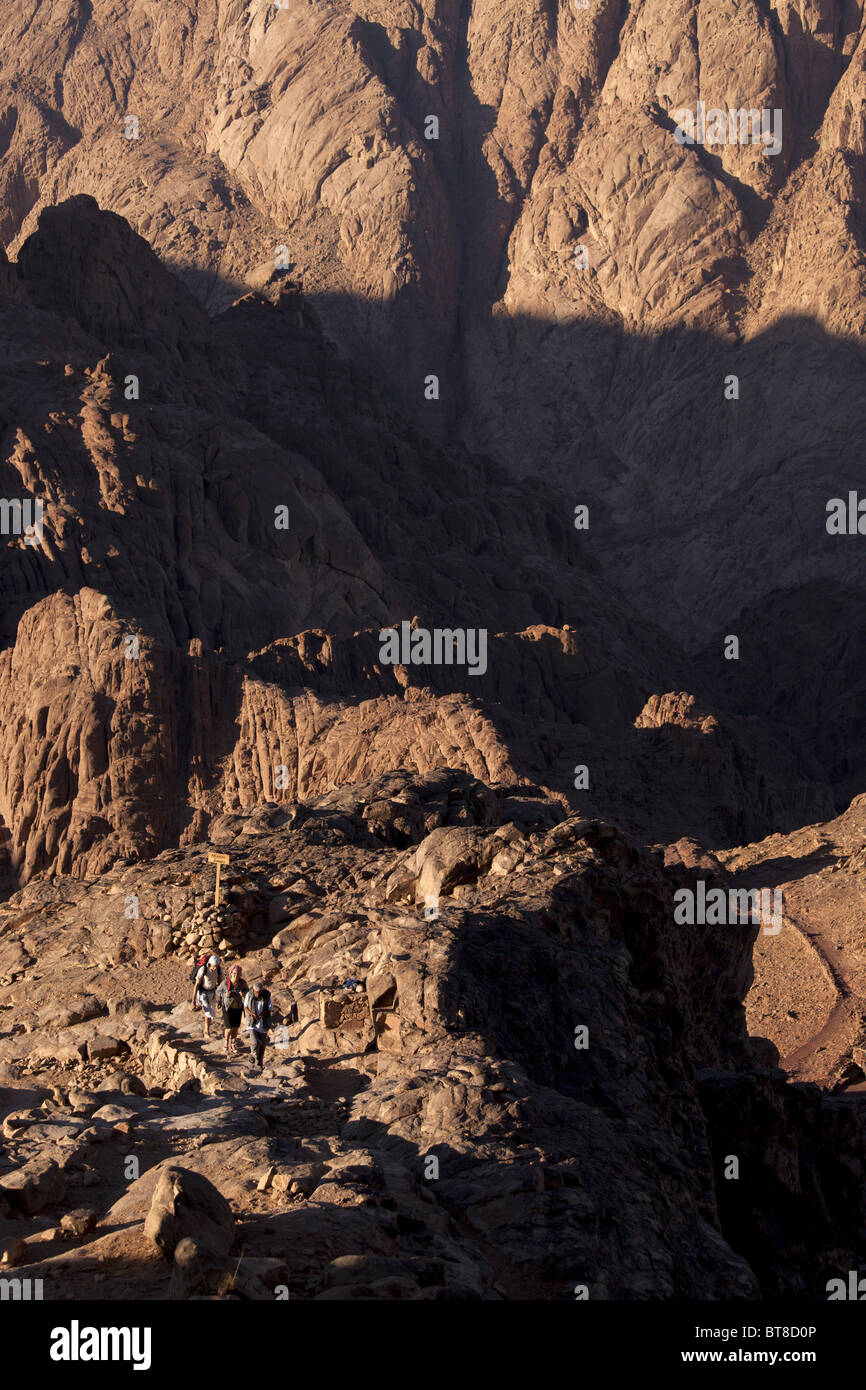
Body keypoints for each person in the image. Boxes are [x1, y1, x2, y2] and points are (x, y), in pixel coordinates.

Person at [217, 963, 247, 1058]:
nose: (235, 975)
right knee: (229, 1027)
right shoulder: (226, 982)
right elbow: (218, 991)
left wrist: (243, 993)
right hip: (227, 1007)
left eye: (237, 973)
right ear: (230, 973)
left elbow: (247, 991)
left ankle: (233, 1043)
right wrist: (225, 994)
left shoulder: (242, 983)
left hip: (238, 1007)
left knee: (235, 1027)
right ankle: (226, 1042)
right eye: (234, 973)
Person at [243, 979, 273, 1071]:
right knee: (255, 1042)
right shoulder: (249, 995)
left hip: (263, 1023)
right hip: (252, 1023)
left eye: (259, 992)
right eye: (256, 992)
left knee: (263, 1045)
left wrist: (262, 1013)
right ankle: (252, 1054)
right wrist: (252, 1014)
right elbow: (245, 1007)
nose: (257, 994)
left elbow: (270, 1009)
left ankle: (259, 1064)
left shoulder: (267, 995)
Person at [192, 954, 222, 1041]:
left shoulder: (219, 970)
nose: (215, 968)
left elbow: (220, 984)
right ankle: (206, 1032)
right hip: (202, 993)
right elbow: (196, 985)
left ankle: (206, 1029)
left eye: (216, 966)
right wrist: (193, 1000)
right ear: (209, 964)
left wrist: (220, 999)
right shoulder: (203, 970)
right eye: (214, 966)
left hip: (212, 993)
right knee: (208, 1012)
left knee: (211, 1013)